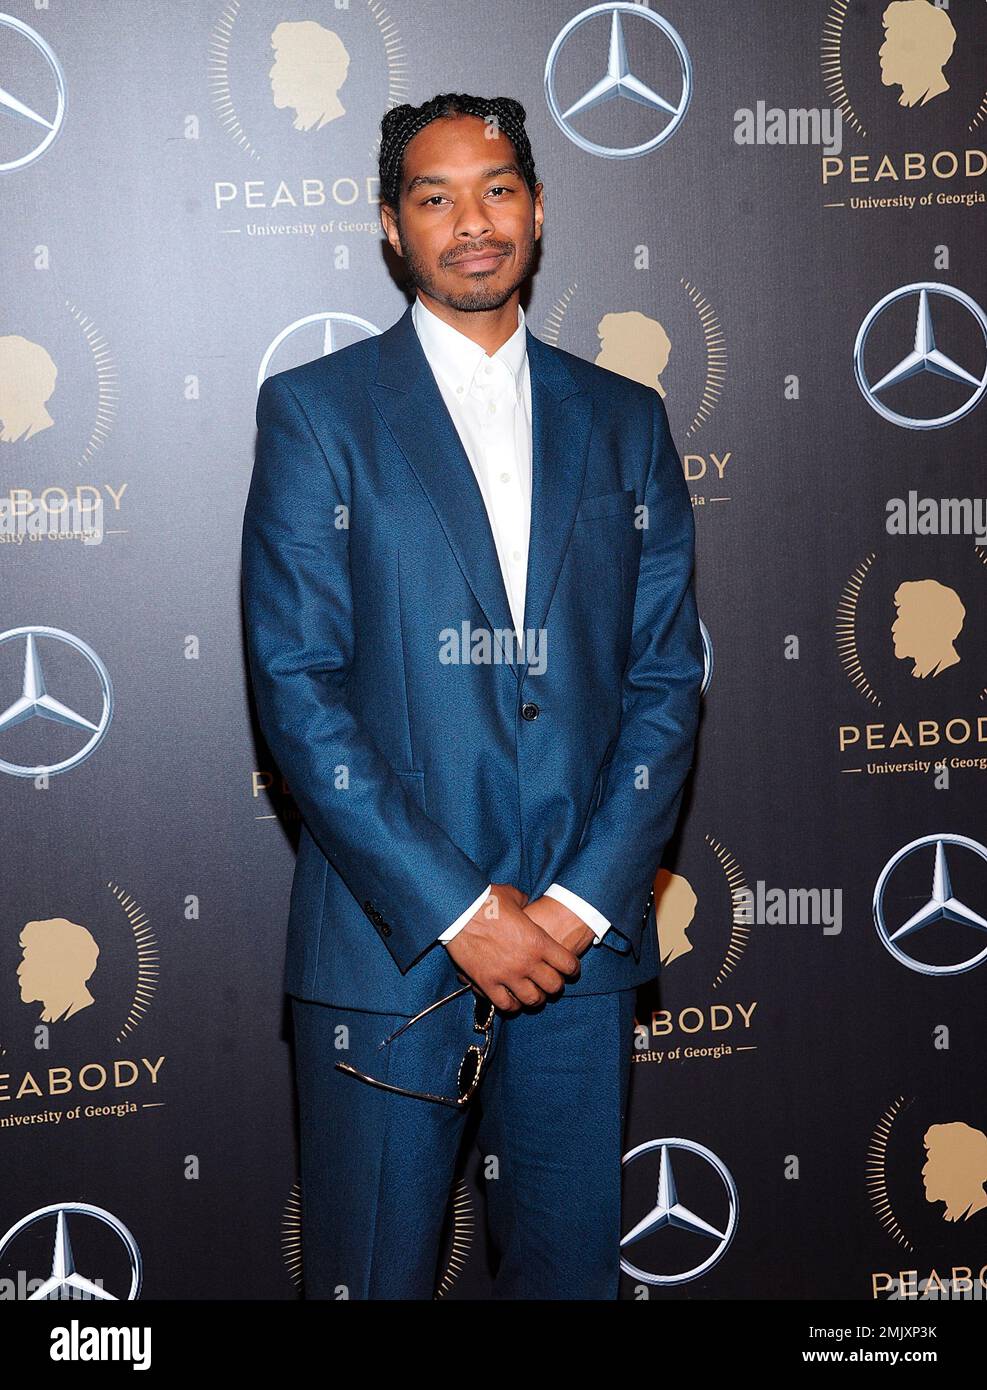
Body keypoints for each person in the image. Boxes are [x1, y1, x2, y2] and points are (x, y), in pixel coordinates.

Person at [240, 92, 703, 1300]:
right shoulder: (317, 413)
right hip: (389, 956)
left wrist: (579, 904)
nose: (471, 222)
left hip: (578, 957)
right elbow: (298, 685)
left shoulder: (628, 422)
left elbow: (664, 677)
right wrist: (465, 911)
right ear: (393, 228)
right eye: (434, 197)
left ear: (538, 209)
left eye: (495, 188)